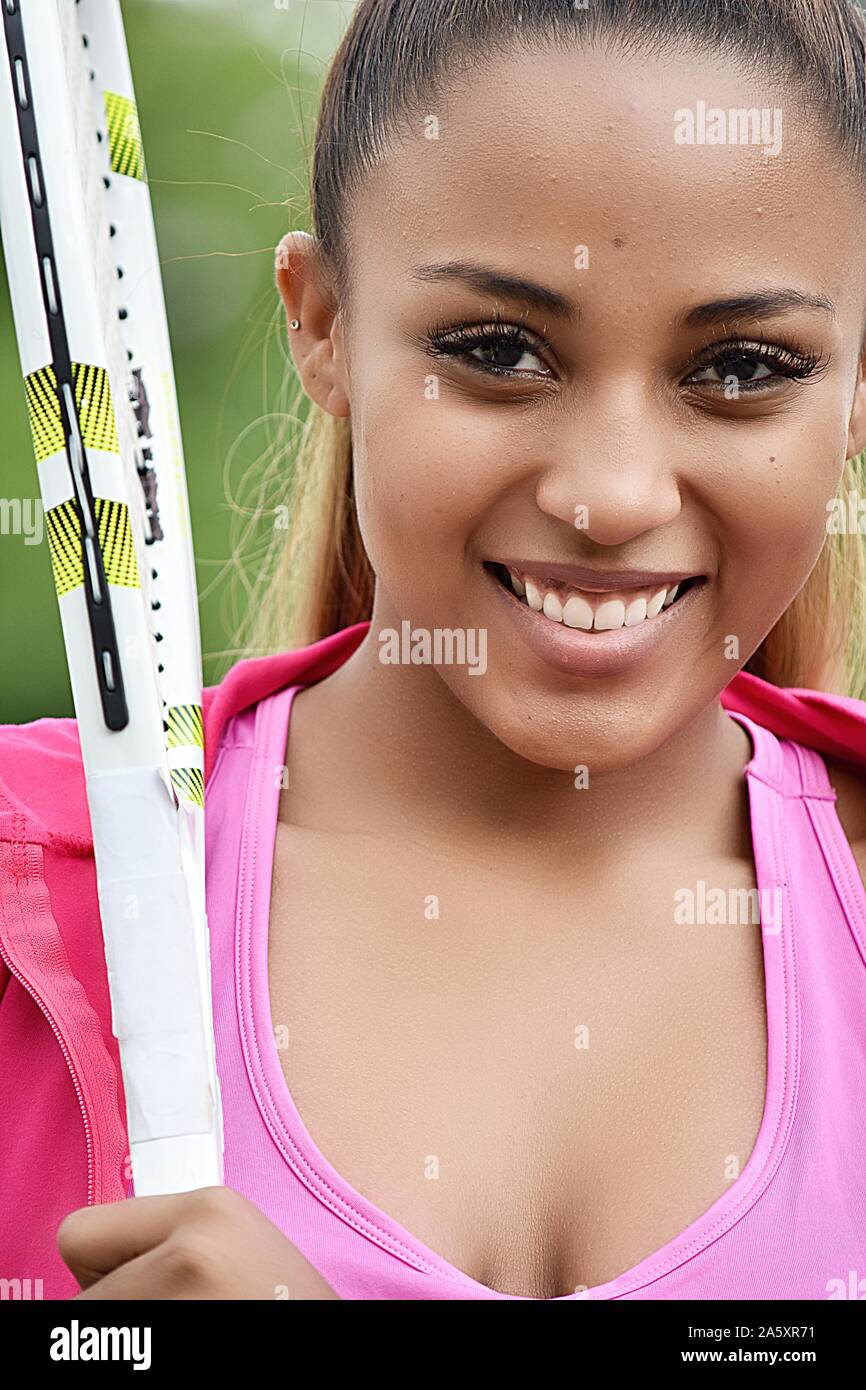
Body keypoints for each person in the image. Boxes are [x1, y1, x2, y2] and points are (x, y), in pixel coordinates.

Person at [3, 0, 866, 1301]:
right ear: (322, 324)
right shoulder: (31, 903)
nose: (613, 494)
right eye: (497, 350)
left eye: (742, 366)